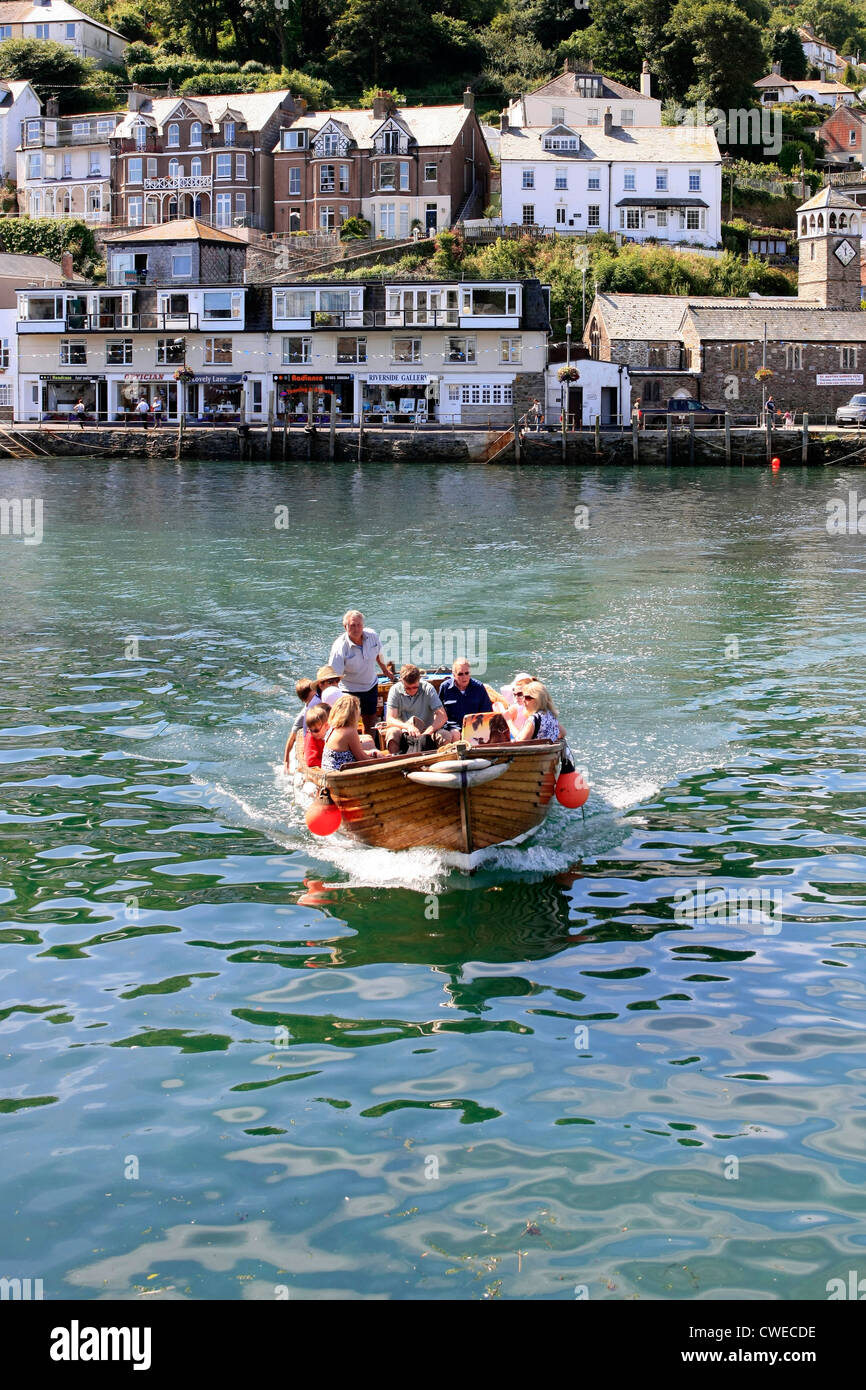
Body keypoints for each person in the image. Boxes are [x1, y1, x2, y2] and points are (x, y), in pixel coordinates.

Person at [328, 610, 394, 734]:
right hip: (349, 690)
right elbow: (334, 677)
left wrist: (385, 670)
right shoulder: (339, 647)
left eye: (359, 625)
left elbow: (378, 655)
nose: (357, 628)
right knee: (348, 723)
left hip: (370, 686)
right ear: (345, 627)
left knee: (370, 720)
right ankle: (352, 747)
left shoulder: (372, 636)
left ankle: (370, 746)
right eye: (353, 625)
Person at [385, 663, 458, 754]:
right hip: (404, 731)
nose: (412, 691)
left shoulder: (428, 688)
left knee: (445, 735)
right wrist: (407, 727)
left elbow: (442, 716)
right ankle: (395, 762)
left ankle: (441, 762)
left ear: (419, 680)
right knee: (392, 733)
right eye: (408, 688)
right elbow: (390, 719)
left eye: (415, 687)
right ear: (401, 681)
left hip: (427, 730)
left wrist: (427, 732)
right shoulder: (395, 690)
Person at [322, 694, 386, 771]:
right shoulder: (349, 731)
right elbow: (362, 759)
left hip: (329, 771)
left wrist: (373, 754)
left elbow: (352, 753)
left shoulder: (333, 727)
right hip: (341, 775)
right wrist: (383, 761)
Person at [437, 658, 492, 736]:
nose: (464, 677)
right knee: (455, 735)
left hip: (475, 728)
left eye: (467, 673)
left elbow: (487, 712)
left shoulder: (479, 687)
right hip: (452, 729)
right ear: (454, 674)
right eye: (460, 674)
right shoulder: (445, 687)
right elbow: (439, 713)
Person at [283, 677, 317, 768]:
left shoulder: (319, 699)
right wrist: (286, 760)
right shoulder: (304, 714)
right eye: (314, 693)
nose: (316, 694)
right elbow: (292, 736)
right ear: (304, 699)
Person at [302, 703, 330, 769]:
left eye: (316, 730)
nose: (313, 733)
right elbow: (310, 761)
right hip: (322, 766)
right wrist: (328, 764)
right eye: (310, 730)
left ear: (326, 726)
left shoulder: (330, 733)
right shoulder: (311, 738)